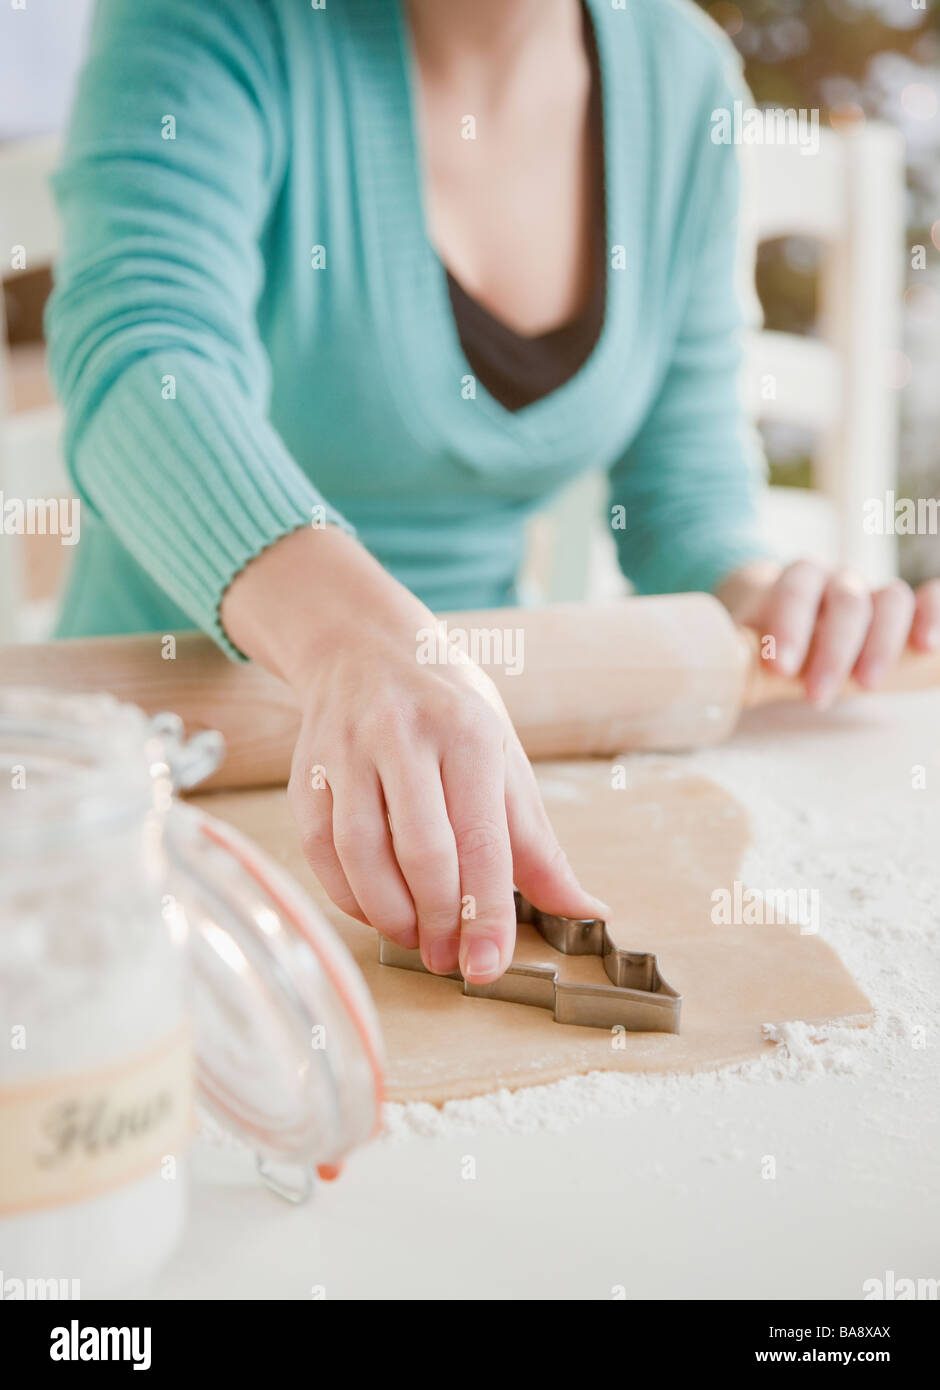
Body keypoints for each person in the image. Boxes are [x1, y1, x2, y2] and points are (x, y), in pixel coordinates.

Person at [46, 0, 940, 988]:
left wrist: (754, 589)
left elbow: (680, 502)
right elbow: (142, 358)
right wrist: (362, 643)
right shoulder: (211, 20)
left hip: (481, 762)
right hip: (149, 766)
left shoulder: (680, 77)